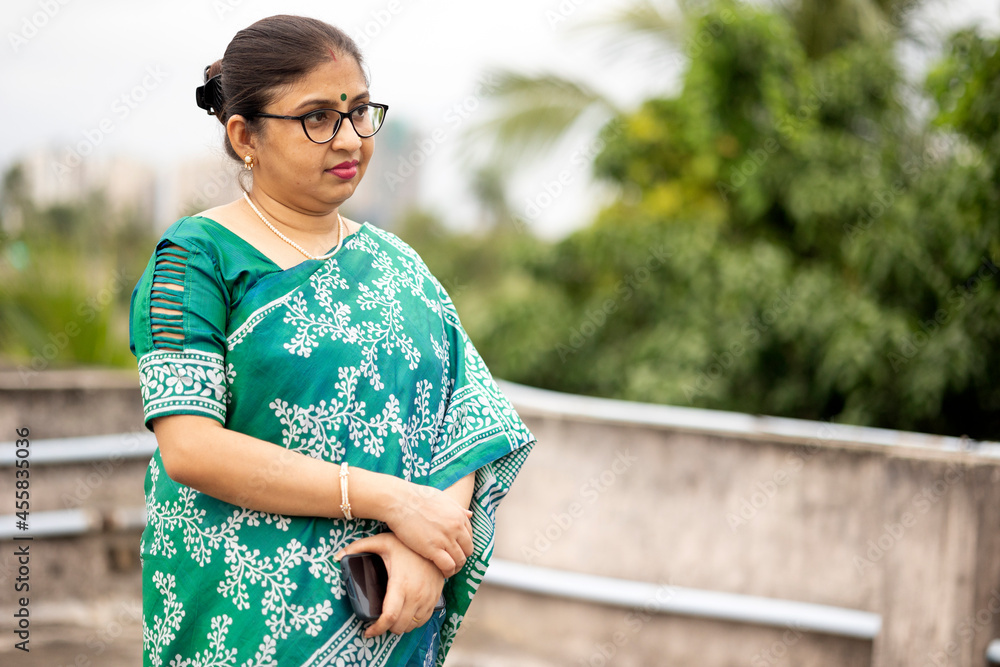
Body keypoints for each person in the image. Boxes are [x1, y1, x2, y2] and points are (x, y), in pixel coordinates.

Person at [128, 14, 536, 666]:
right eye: (318, 117)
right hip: (243, 621)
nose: (350, 139)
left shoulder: (398, 262)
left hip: (389, 607)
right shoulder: (196, 259)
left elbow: (470, 416)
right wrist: (393, 500)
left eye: (360, 111)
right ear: (245, 136)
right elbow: (191, 448)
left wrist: (428, 548)